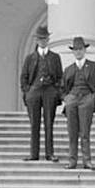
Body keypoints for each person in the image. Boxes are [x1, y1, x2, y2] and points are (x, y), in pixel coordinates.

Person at [61, 36, 95, 171]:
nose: (78, 52)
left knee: (85, 133)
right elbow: (62, 88)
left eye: (80, 49)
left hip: (87, 99)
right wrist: (66, 98)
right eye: (76, 50)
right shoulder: (69, 69)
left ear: (84, 50)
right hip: (72, 100)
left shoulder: (93, 66)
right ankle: (72, 161)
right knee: (72, 132)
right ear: (73, 52)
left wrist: (93, 98)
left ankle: (87, 161)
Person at [20, 24, 62, 161]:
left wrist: (56, 92)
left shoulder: (55, 57)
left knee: (49, 123)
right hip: (34, 91)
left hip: (49, 91)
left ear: (48, 40)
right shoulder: (30, 58)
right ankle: (34, 153)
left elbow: (60, 77)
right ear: (36, 40)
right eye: (40, 39)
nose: (42, 41)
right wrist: (27, 92)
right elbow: (24, 77)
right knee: (34, 124)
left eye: (44, 38)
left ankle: (50, 153)